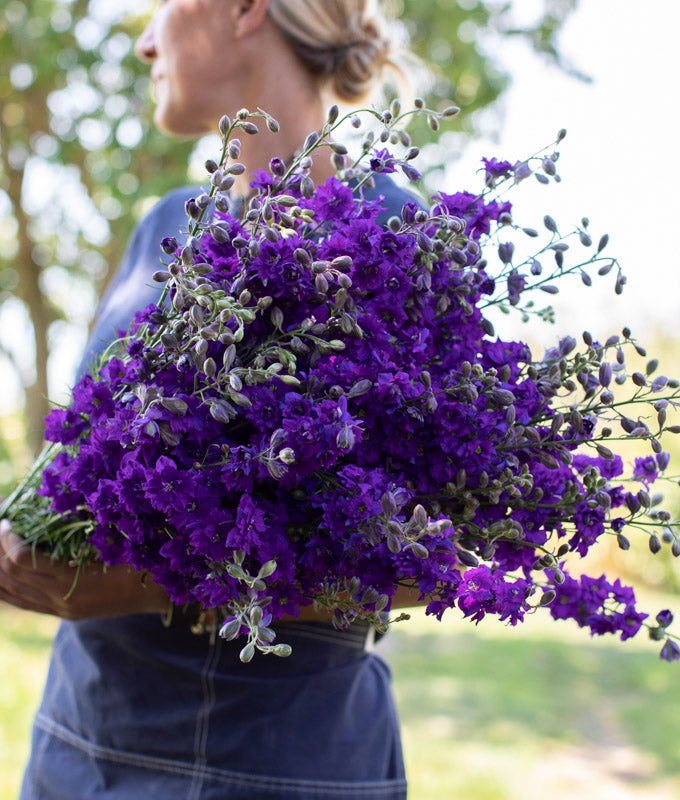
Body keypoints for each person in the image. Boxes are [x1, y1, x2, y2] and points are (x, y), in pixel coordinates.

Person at [0, 1, 419, 797]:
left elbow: (440, 563)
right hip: (81, 747)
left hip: (277, 764)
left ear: (245, 10)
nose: (143, 42)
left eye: (156, 6)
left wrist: (156, 586)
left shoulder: (396, 236)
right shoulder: (161, 228)